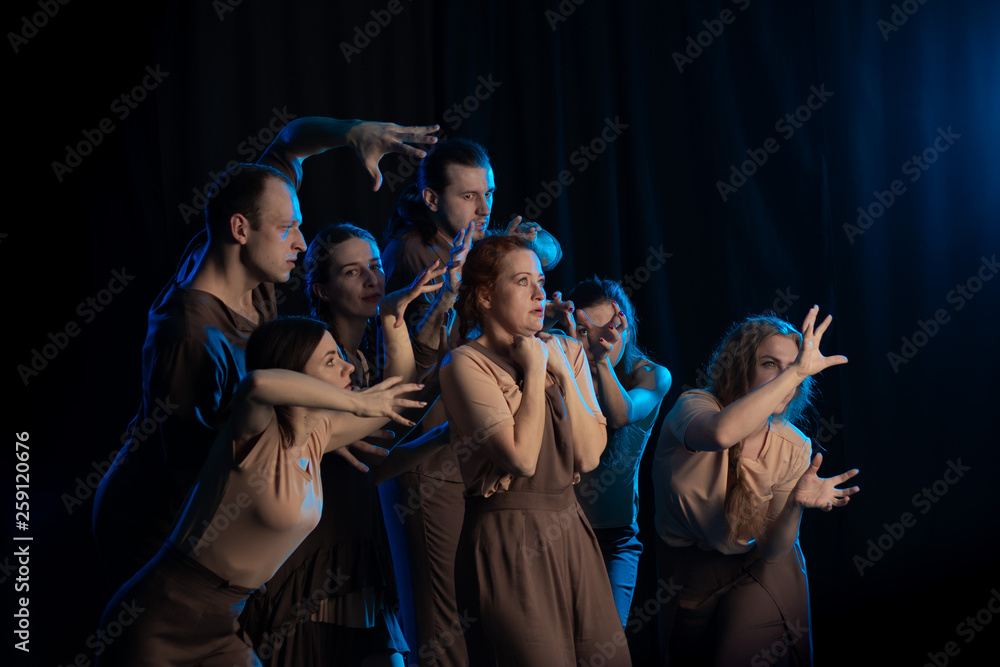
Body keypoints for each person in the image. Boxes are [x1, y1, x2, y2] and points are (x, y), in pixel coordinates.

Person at [93, 117, 439, 591]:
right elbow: (211, 467)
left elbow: (290, 142)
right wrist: (330, 424)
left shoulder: (230, 245)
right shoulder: (191, 338)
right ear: (241, 229)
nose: (300, 241)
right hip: (155, 527)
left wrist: (351, 132)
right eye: (288, 228)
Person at [95, 316, 427, 667]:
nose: (348, 367)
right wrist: (359, 403)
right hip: (163, 612)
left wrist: (394, 323)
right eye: (330, 361)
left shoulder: (318, 434)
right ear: (294, 375)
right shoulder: (255, 431)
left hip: (225, 620)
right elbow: (257, 382)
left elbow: (398, 401)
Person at [378, 138, 565, 666]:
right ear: (432, 199)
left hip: (463, 453)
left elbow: (547, 253)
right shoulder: (417, 254)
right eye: (469, 196)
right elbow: (416, 372)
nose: (485, 208)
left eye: (490, 194)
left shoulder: (474, 248)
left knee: (473, 608)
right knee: (440, 621)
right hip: (428, 454)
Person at [242, 224, 443, 666]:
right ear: (323, 290)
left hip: (358, 546)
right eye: (353, 272)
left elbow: (381, 444)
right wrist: (395, 321)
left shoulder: (360, 361)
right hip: (313, 560)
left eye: (374, 267)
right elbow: (390, 417)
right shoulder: (308, 357)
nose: (372, 279)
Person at [438, 235, 631, 667]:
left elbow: (587, 456)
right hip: (507, 537)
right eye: (523, 282)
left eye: (541, 281)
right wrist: (535, 367)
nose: (540, 294)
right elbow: (522, 459)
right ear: (486, 295)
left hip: (571, 528)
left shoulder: (565, 350)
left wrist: (560, 368)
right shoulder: (465, 363)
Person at [652, 307, 860, 666]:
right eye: (769, 364)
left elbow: (772, 552)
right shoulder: (695, 406)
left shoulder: (794, 445)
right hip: (686, 572)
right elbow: (721, 433)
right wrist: (795, 371)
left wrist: (795, 504)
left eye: (794, 367)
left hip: (761, 569)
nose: (787, 378)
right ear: (740, 365)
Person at [559, 278, 672, 628]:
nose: (599, 341)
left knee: (606, 643)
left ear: (625, 326)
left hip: (616, 538)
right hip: (557, 531)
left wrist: (602, 363)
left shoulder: (651, 376)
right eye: (584, 330)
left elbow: (620, 413)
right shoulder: (555, 366)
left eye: (612, 329)